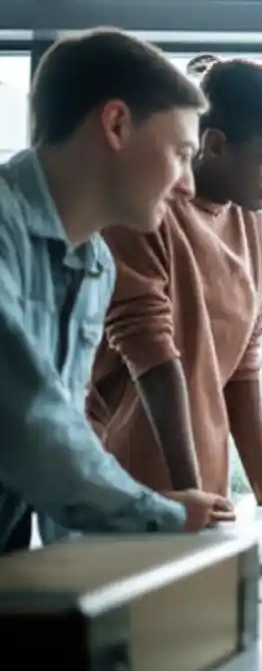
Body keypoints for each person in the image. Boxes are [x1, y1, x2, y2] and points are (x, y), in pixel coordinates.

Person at [1, 28, 234, 551]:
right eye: (179, 152)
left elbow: (70, 428)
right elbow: (29, 429)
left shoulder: (96, 263)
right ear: (116, 124)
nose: (188, 186)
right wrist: (160, 513)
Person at [87, 54, 262, 505]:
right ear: (214, 145)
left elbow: (244, 362)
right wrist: (186, 490)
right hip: (136, 484)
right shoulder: (143, 209)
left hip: (202, 484)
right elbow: (151, 355)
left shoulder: (248, 216)